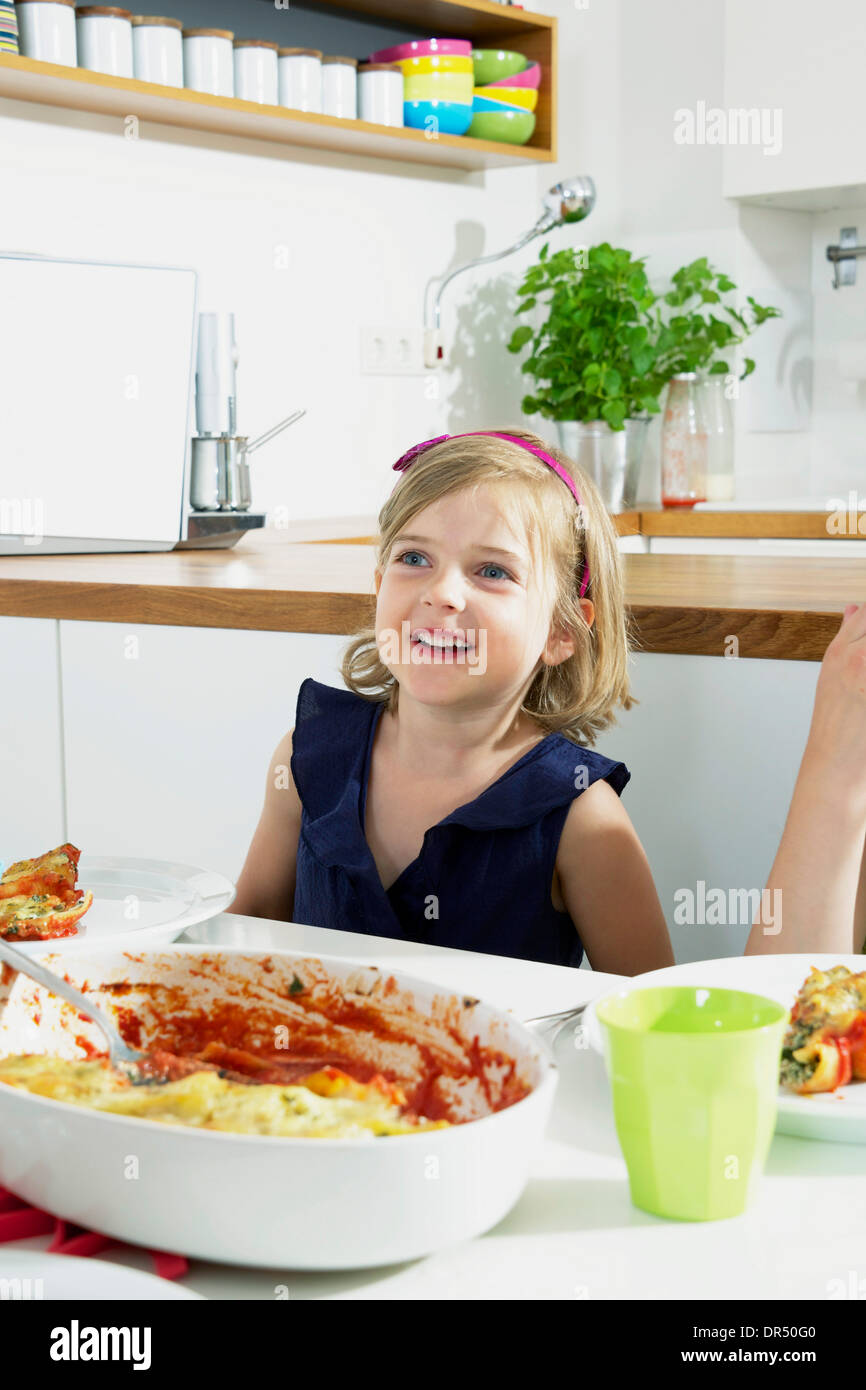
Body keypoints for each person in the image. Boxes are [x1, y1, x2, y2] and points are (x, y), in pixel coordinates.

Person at [230, 429, 866, 973]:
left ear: (563, 631)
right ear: (377, 587)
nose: (443, 592)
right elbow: (250, 922)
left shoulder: (581, 817)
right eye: (414, 558)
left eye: (493, 571)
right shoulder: (306, 758)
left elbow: (643, 1014)